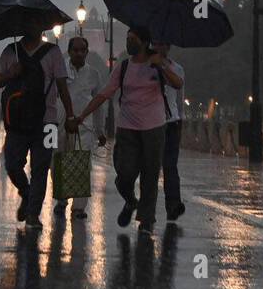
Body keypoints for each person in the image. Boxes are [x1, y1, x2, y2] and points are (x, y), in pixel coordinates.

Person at [69, 26, 181, 235]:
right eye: (128, 38)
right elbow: (103, 95)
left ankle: (146, 220)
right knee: (124, 174)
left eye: (133, 39)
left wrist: (162, 65)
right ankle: (130, 201)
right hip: (127, 129)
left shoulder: (157, 65)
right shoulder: (123, 67)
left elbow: (178, 83)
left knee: (150, 175)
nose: (129, 42)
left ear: (144, 41)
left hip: (154, 128)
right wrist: (82, 116)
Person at [0, 33, 77, 230]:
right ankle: (26, 192)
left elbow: (62, 87)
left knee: (41, 167)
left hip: (49, 122)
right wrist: (11, 73)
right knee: (12, 164)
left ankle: (32, 214)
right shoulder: (10, 51)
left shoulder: (53, 52)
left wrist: (70, 116)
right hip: (17, 122)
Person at [54, 35, 106, 219]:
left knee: (82, 163)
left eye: (82, 50)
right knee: (59, 162)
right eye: (75, 50)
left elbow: (99, 103)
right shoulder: (59, 71)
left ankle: (79, 207)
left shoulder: (94, 74)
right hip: (60, 123)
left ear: (87, 52)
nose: (79, 53)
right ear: (69, 51)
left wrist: (100, 130)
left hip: (85, 125)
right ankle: (61, 200)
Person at [153, 41, 186, 220]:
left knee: (170, 166)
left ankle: (173, 205)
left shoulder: (177, 69)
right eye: (158, 43)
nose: (161, 47)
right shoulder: (146, 67)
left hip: (171, 122)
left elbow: (180, 98)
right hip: (151, 123)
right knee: (151, 168)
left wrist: (180, 120)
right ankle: (147, 209)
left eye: (164, 43)